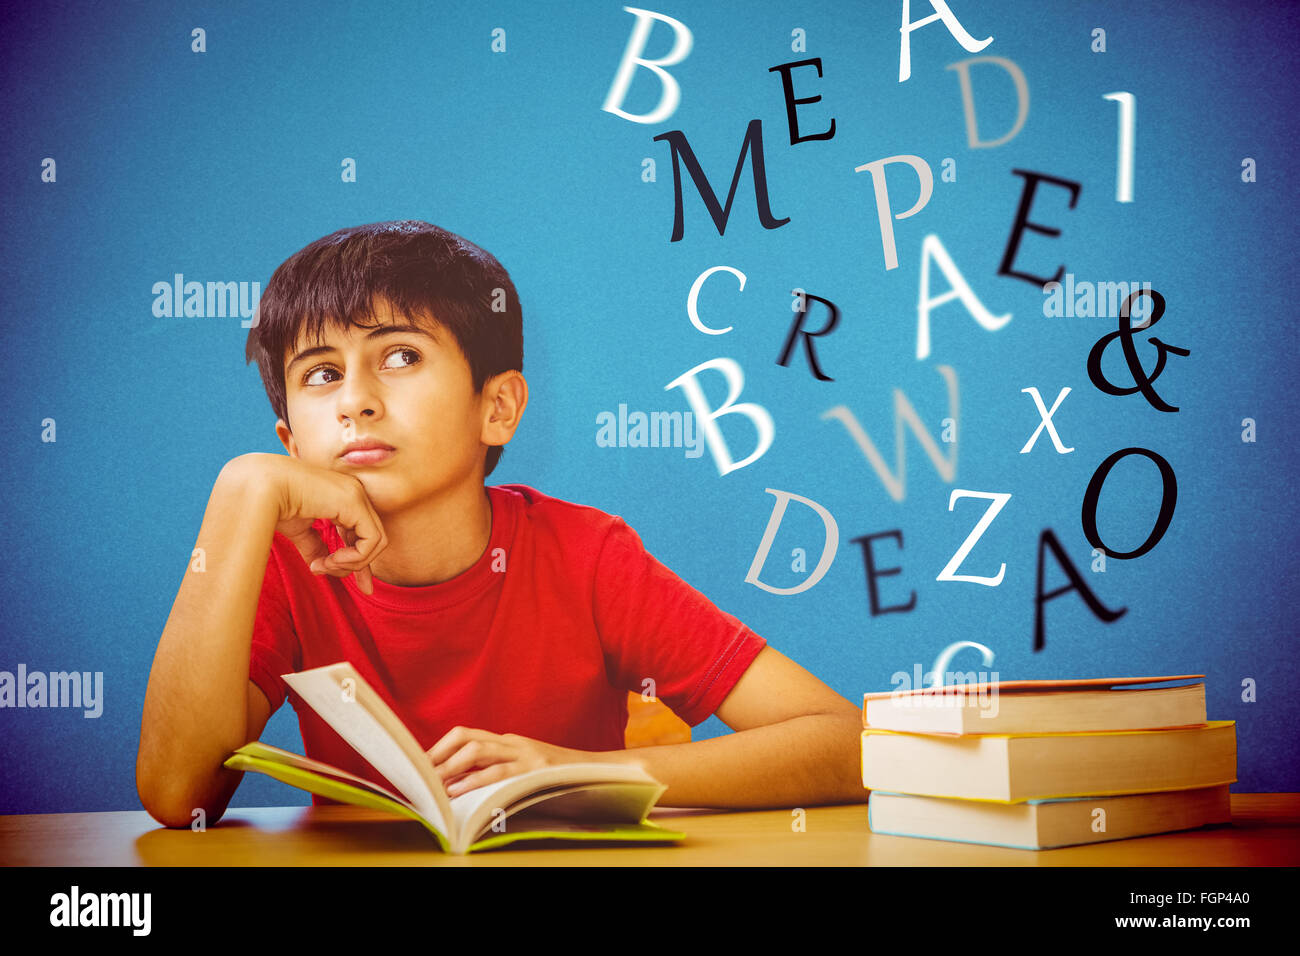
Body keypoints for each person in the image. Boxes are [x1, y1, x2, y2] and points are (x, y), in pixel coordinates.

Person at [137, 220, 865, 828]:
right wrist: (241, 494)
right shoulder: (286, 564)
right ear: (291, 442)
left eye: (399, 356)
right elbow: (176, 796)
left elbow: (851, 744)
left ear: (499, 408)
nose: (353, 401)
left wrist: (578, 775)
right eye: (321, 374)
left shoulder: (587, 558)